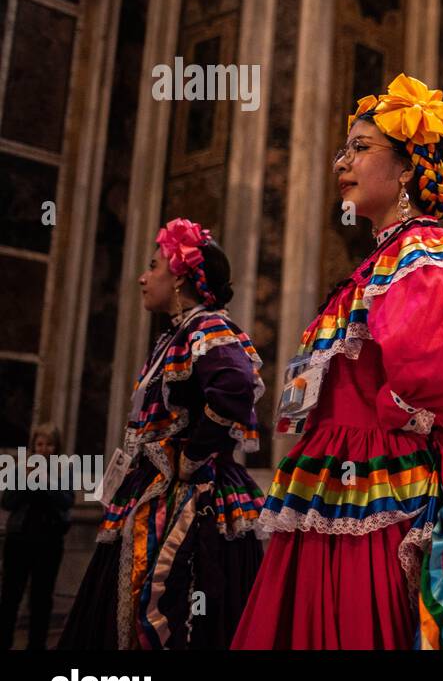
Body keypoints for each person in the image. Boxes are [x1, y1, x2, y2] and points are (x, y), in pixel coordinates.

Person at [232, 74, 443, 650]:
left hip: (378, 472)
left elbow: (432, 377)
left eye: (360, 149)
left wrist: (392, 413)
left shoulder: (423, 252)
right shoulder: (382, 259)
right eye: (343, 149)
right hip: (340, 468)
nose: (343, 162)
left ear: (407, 168)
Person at [59, 219, 265, 649]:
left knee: (179, 602)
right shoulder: (176, 333)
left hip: (190, 496)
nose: (142, 276)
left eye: (153, 266)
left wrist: (191, 458)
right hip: (154, 488)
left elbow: (235, 387)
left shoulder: (207, 327)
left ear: (179, 278)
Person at [1, 425, 73, 649]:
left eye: (49, 444)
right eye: (40, 444)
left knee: (41, 600)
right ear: (33, 446)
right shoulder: (21, 467)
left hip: (48, 542)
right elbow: (7, 501)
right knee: (10, 597)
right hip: (19, 539)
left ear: (57, 447)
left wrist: (44, 482)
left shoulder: (63, 469)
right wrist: (28, 481)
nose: (44, 449)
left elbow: (66, 501)